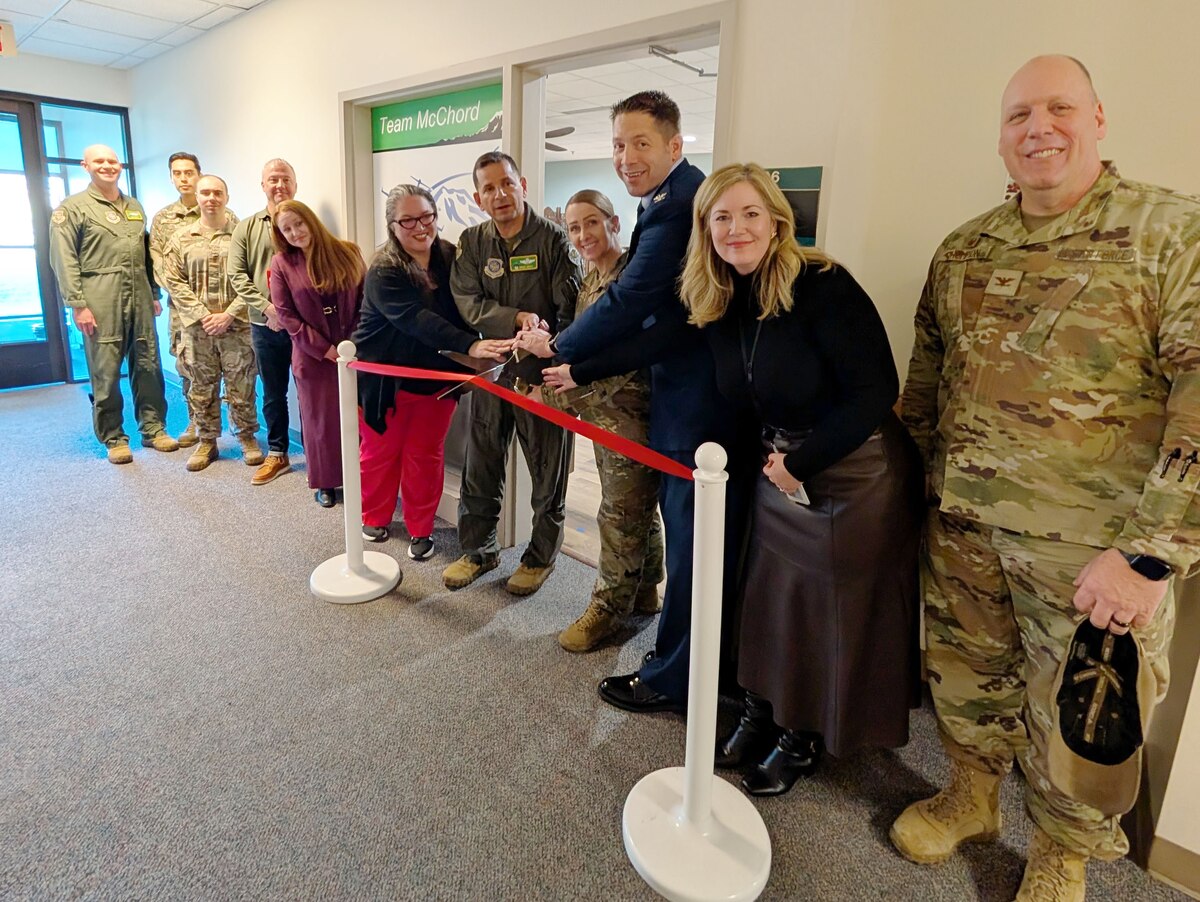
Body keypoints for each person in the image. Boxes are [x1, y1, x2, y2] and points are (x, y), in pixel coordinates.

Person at [891, 55, 1200, 900]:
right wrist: (899, 502)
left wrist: (1150, 556)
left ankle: (1061, 855)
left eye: (1059, 108)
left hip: (1095, 553)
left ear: (1098, 119)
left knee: (1081, 713)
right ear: (1000, 138)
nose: (1039, 129)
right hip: (961, 528)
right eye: (1019, 115)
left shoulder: (1170, 234)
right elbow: (925, 390)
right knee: (967, 678)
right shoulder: (965, 249)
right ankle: (971, 796)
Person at [677, 162, 922, 795]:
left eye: (750, 213)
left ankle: (801, 737)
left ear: (778, 221)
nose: (736, 228)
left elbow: (876, 391)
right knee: (769, 600)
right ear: (705, 228)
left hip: (853, 472)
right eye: (722, 217)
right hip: (781, 467)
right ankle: (761, 712)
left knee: (821, 613)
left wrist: (799, 466)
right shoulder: (718, 295)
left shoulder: (823, 284)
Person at [515, 91, 748, 713]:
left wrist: (558, 346)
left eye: (641, 143)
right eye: (619, 145)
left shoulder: (676, 209)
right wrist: (575, 364)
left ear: (675, 146)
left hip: (696, 410)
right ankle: (678, 658)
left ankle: (676, 678)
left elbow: (636, 302)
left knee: (692, 547)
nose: (627, 157)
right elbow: (664, 325)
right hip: (677, 399)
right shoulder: (664, 203)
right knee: (680, 537)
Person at [443, 151, 581, 596]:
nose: (500, 194)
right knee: (480, 466)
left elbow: (570, 310)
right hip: (492, 372)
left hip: (542, 376)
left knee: (547, 474)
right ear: (478, 198)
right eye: (489, 188)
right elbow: (467, 300)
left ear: (522, 185)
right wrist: (514, 317)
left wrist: (553, 352)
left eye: (506, 183)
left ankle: (540, 558)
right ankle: (478, 551)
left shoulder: (554, 240)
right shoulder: (472, 242)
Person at [353, 185, 510, 559]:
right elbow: (416, 319)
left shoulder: (451, 257)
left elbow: (471, 305)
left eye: (426, 216)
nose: (420, 226)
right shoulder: (383, 270)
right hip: (383, 383)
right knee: (379, 453)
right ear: (393, 226)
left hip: (436, 381)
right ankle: (374, 516)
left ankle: (421, 528)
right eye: (408, 220)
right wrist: (470, 346)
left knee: (425, 456)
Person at [542, 190, 665, 653]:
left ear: (614, 222)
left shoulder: (632, 276)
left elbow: (625, 362)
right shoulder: (590, 278)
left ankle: (608, 608)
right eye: (574, 227)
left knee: (619, 513)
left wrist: (564, 395)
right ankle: (646, 588)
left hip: (631, 417)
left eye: (591, 223)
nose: (582, 235)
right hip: (602, 418)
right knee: (637, 509)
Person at [48, 144, 177, 464]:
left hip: (140, 296)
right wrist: (78, 304)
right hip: (100, 297)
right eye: (99, 161)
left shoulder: (134, 206)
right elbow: (64, 260)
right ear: (86, 166)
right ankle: (114, 436)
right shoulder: (72, 208)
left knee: (148, 363)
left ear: (120, 166)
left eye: (112, 161)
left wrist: (154, 294)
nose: (107, 166)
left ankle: (153, 428)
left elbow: (146, 254)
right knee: (105, 371)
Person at [269, 200, 365, 507]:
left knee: (356, 418)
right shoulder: (282, 264)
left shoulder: (348, 252)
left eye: (299, 223)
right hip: (312, 357)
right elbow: (287, 316)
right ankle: (325, 482)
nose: (295, 232)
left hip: (353, 353)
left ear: (310, 220)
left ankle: (360, 477)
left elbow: (365, 302)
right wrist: (325, 349)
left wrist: (350, 345)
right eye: (287, 229)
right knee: (320, 424)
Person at [161, 175, 259, 472]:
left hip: (237, 326)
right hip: (198, 329)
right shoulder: (180, 238)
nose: (211, 198)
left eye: (217, 192)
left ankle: (247, 437)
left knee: (242, 384)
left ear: (226, 197)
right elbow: (174, 281)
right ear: (198, 197)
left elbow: (255, 278)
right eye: (205, 193)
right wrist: (203, 314)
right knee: (201, 387)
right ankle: (206, 441)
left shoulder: (243, 235)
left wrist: (230, 313)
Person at [149, 152, 238, 446]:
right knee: (188, 366)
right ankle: (196, 422)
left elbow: (239, 261)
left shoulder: (228, 216)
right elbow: (160, 265)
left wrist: (224, 310)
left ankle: (238, 426)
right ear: (171, 178)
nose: (183, 178)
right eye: (177, 173)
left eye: (189, 172)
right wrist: (195, 307)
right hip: (184, 310)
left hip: (225, 310)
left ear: (198, 175)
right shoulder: (163, 219)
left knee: (235, 368)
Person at [229, 159, 298, 486]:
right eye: (273, 179)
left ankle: (321, 457)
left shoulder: (306, 224)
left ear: (295, 185)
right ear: (263, 185)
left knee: (313, 394)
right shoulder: (246, 228)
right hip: (264, 325)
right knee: (273, 393)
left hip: (303, 327)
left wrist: (292, 315)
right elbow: (236, 274)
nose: (279, 185)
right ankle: (278, 452)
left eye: (285, 179)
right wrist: (268, 309)